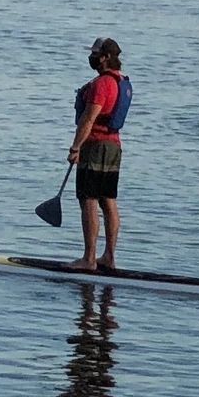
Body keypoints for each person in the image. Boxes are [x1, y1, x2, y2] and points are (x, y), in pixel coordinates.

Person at [67, 37, 129, 272]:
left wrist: (75, 148)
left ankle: (89, 259)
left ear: (104, 57)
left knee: (89, 199)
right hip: (114, 147)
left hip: (96, 146)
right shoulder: (120, 81)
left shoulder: (102, 84)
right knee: (107, 200)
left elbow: (89, 118)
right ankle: (109, 257)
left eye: (95, 54)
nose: (91, 58)